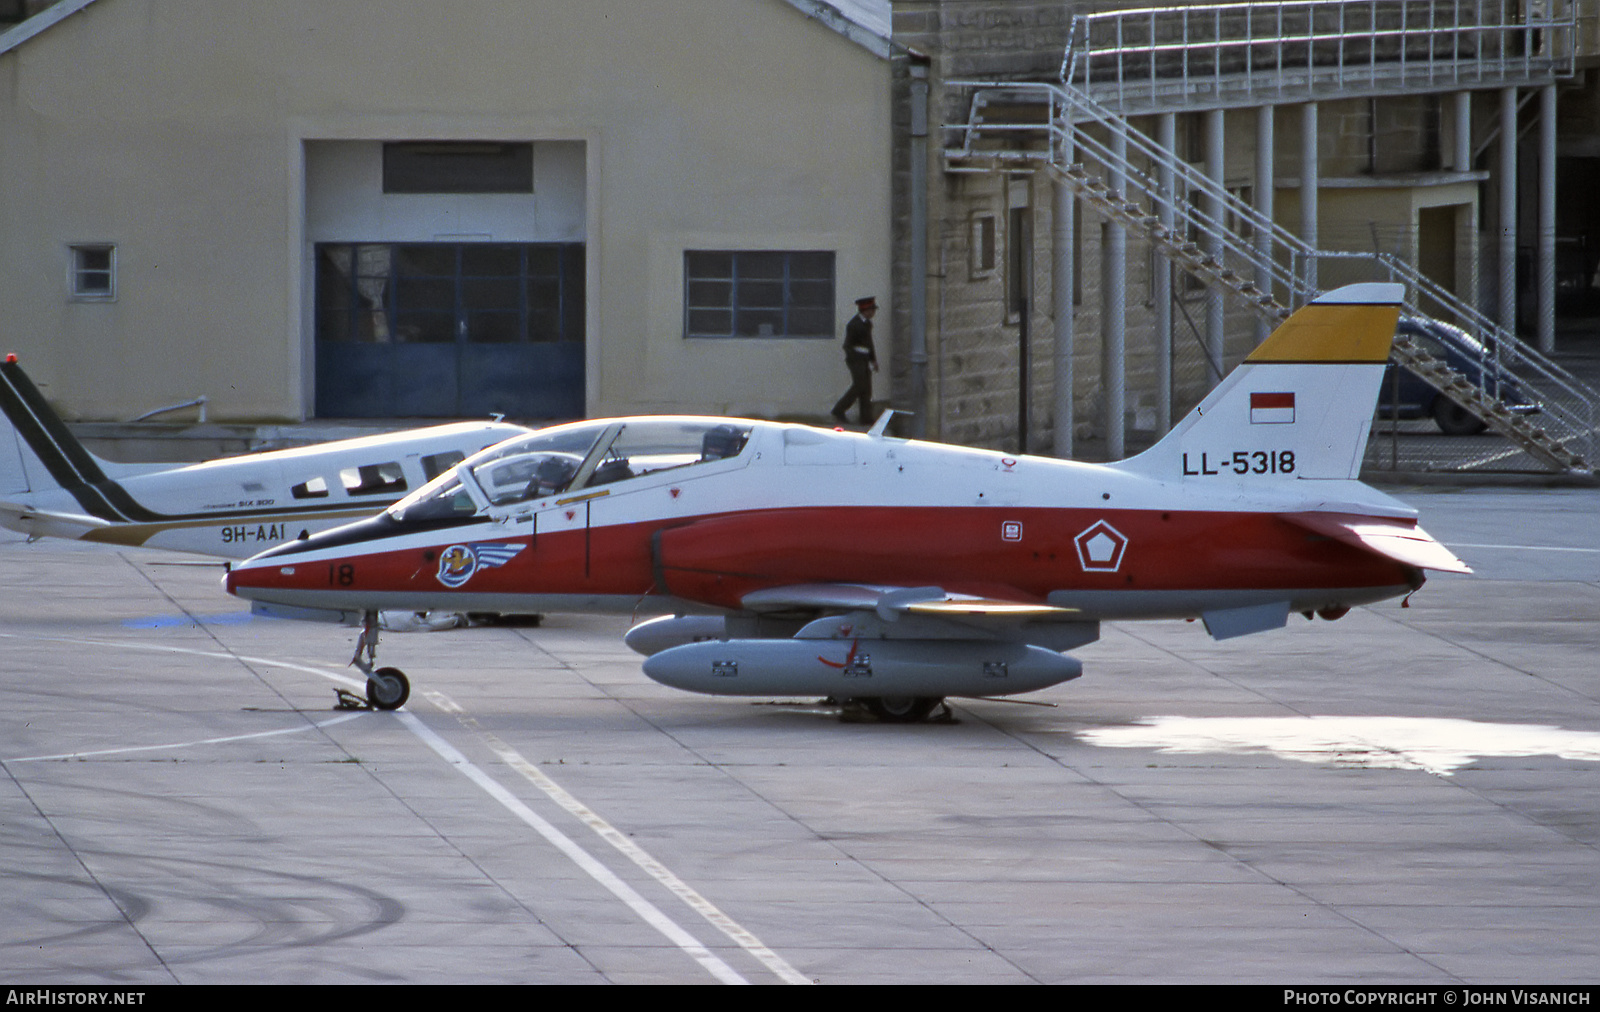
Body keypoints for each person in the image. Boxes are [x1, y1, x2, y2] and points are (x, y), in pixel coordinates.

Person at [831, 296, 879, 425]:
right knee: (859, 386)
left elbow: (869, 343)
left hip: (864, 359)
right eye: (871, 310)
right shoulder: (854, 324)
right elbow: (847, 345)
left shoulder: (867, 324)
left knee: (866, 389)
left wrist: (873, 360)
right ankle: (839, 409)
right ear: (865, 310)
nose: (873, 313)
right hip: (856, 359)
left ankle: (866, 417)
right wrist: (856, 358)